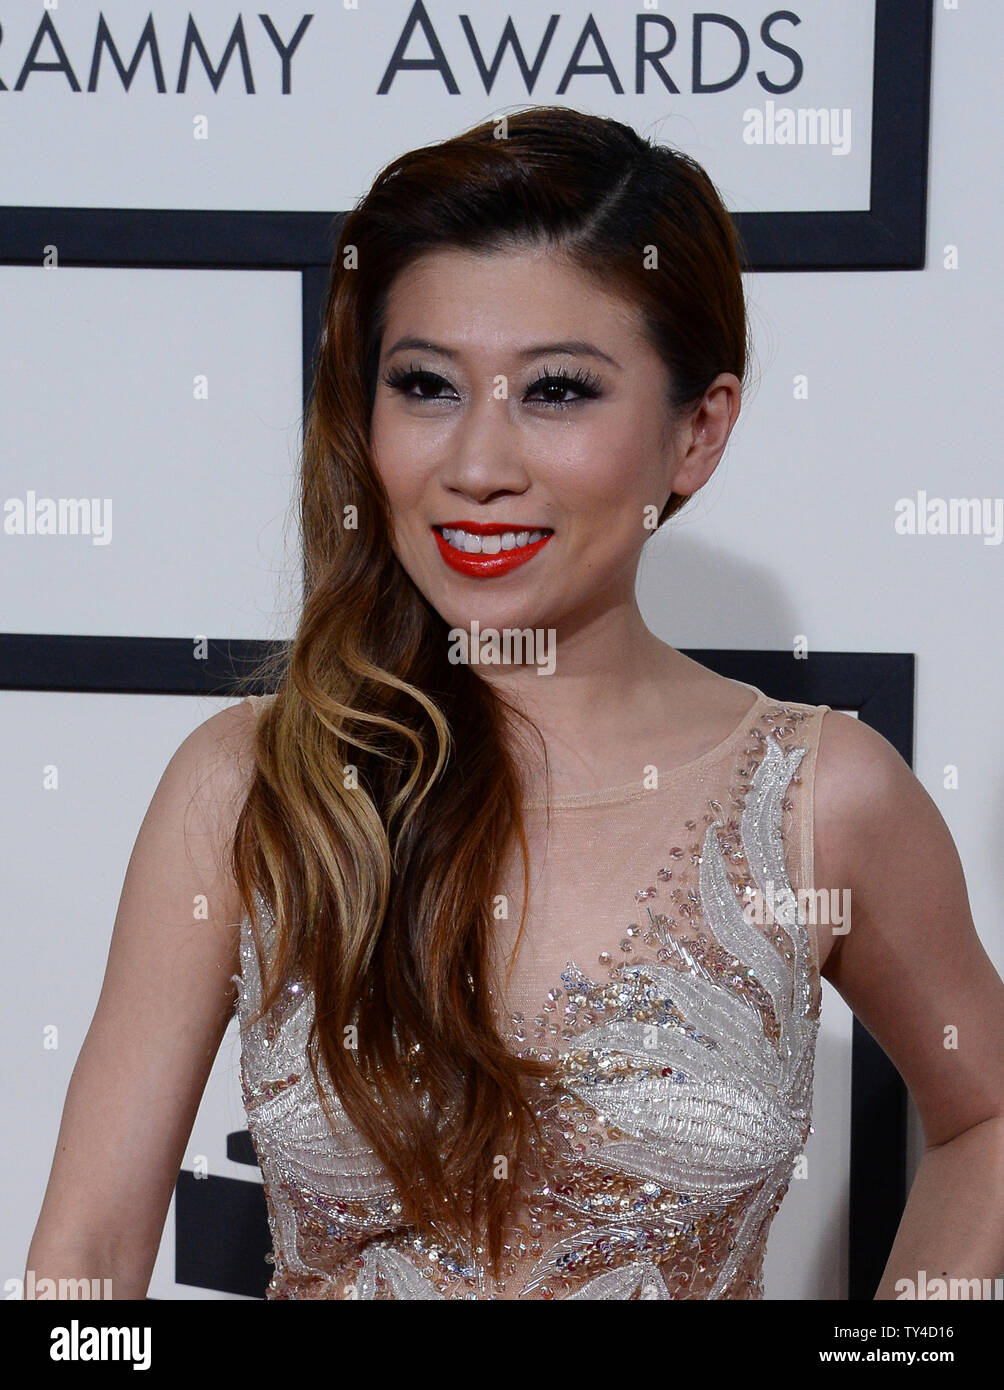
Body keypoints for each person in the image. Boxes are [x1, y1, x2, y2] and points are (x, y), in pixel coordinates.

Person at [26, 106, 1004, 1301]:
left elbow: (985, 1119)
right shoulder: (252, 784)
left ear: (696, 432)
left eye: (555, 391)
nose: (477, 462)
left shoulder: (821, 800)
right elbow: (79, 1269)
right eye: (425, 384)